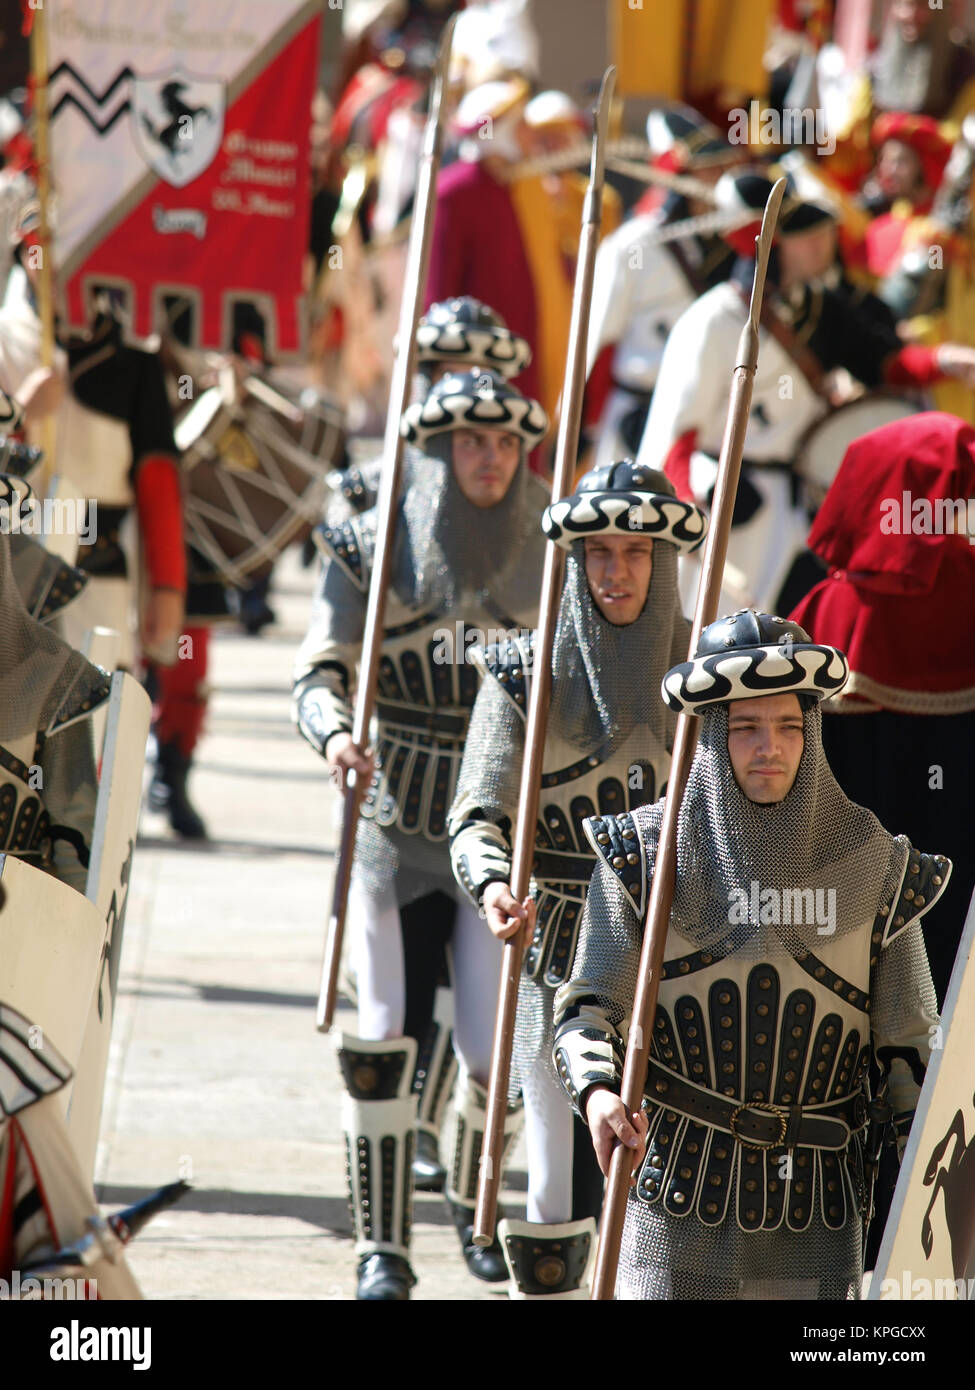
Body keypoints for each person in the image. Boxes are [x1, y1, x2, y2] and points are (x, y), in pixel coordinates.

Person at [554, 609, 947, 1300]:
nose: (770, 746)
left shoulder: (874, 870)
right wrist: (595, 1095)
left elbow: (909, 1055)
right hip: (674, 1191)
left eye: (789, 726)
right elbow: (588, 1011)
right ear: (710, 736)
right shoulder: (645, 860)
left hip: (816, 1210)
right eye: (745, 728)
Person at [293, 367, 549, 1299]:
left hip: (493, 821)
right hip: (391, 816)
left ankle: (481, 1211)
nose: (489, 460)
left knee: (491, 1054)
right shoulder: (368, 546)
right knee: (384, 1032)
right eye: (470, 442)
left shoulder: (552, 553)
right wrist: (335, 732)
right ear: (436, 449)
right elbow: (316, 671)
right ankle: (383, 1250)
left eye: (505, 444)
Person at [448, 460, 706, 1298]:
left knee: (667, 1198)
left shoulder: (708, 680)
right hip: (553, 943)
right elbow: (474, 814)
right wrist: (492, 887)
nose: (615, 570)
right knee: (553, 1186)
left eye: (636, 552)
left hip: (676, 951)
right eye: (598, 551)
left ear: (661, 561)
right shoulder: (521, 675)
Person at [637, 172, 975, 616]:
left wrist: (945, 360)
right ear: (770, 245)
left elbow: (884, 362)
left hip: (804, 509)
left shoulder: (820, 304)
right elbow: (675, 440)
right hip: (734, 511)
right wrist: (692, 521)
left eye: (821, 231)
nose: (821, 242)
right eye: (804, 234)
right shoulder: (712, 322)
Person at [585, 105, 737, 468]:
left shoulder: (731, 249)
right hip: (633, 416)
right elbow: (595, 343)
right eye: (706, 172)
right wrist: (577, 431)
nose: (716, 181)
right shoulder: (630, 245)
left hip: (699, 427)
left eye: (720, 170)